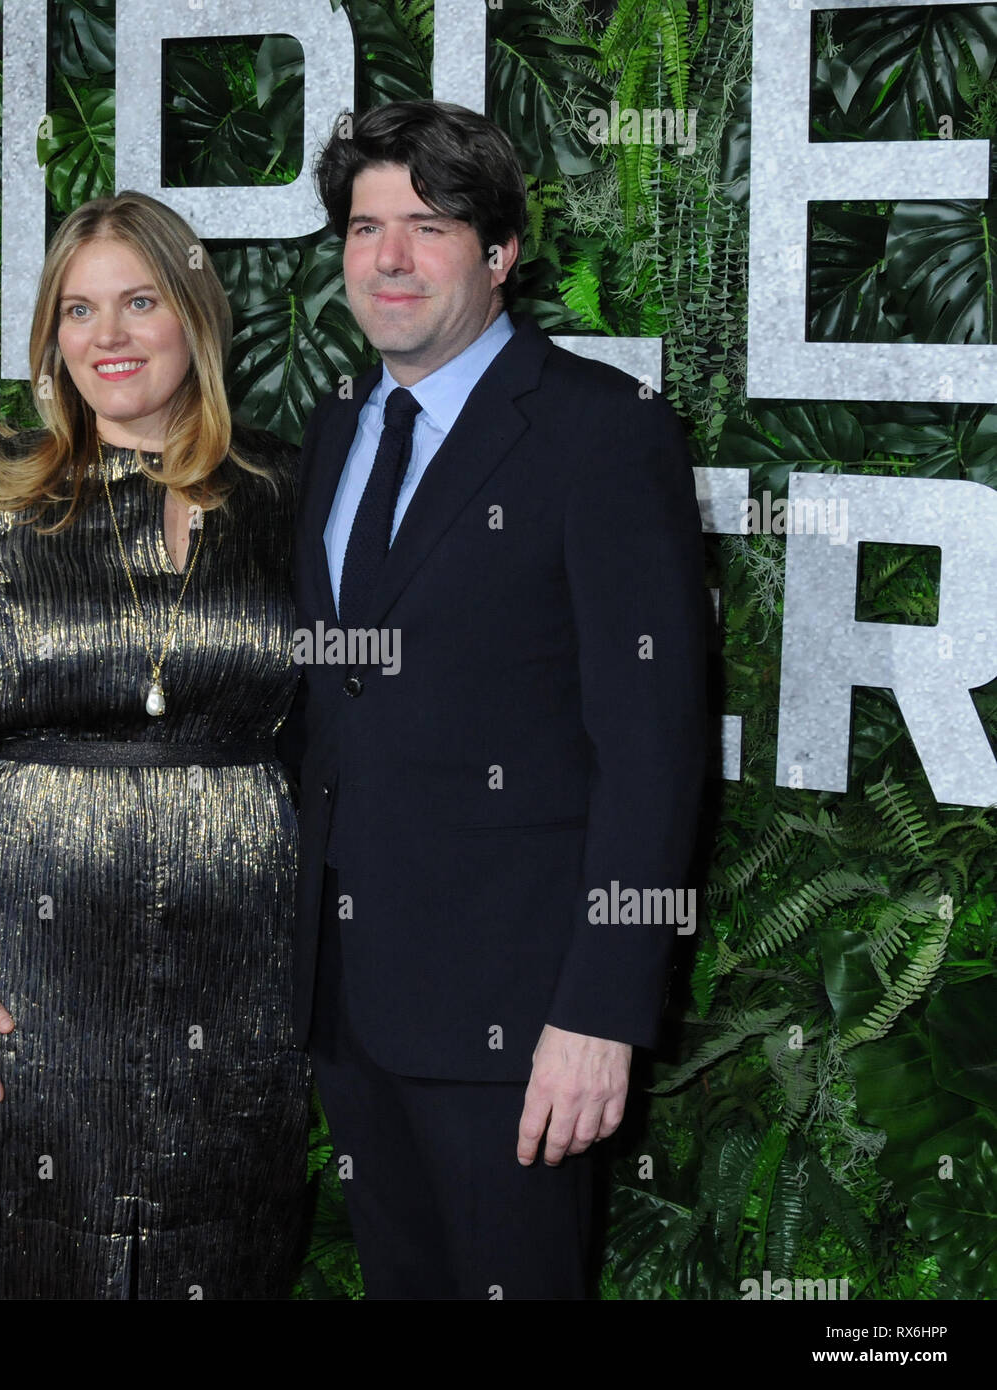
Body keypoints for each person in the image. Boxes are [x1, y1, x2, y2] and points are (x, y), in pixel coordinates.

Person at [286, 100, 709, 1299]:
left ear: (501, 251)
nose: (390, 259)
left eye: (428, 226)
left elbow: (654, 744)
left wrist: (601, 1013)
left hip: (519, 1018)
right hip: (350, 1003)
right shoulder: (334, 429)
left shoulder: (597, 432)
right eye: (367, 229)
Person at [0, 190, 311, 1300]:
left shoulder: (288, 494)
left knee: (216, 1240)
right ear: (51, 338)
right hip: (32, 955)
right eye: (78, 310)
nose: (107, 337)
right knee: (18, 1235)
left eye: (139, 301)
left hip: (243, 953)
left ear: (194, 313)